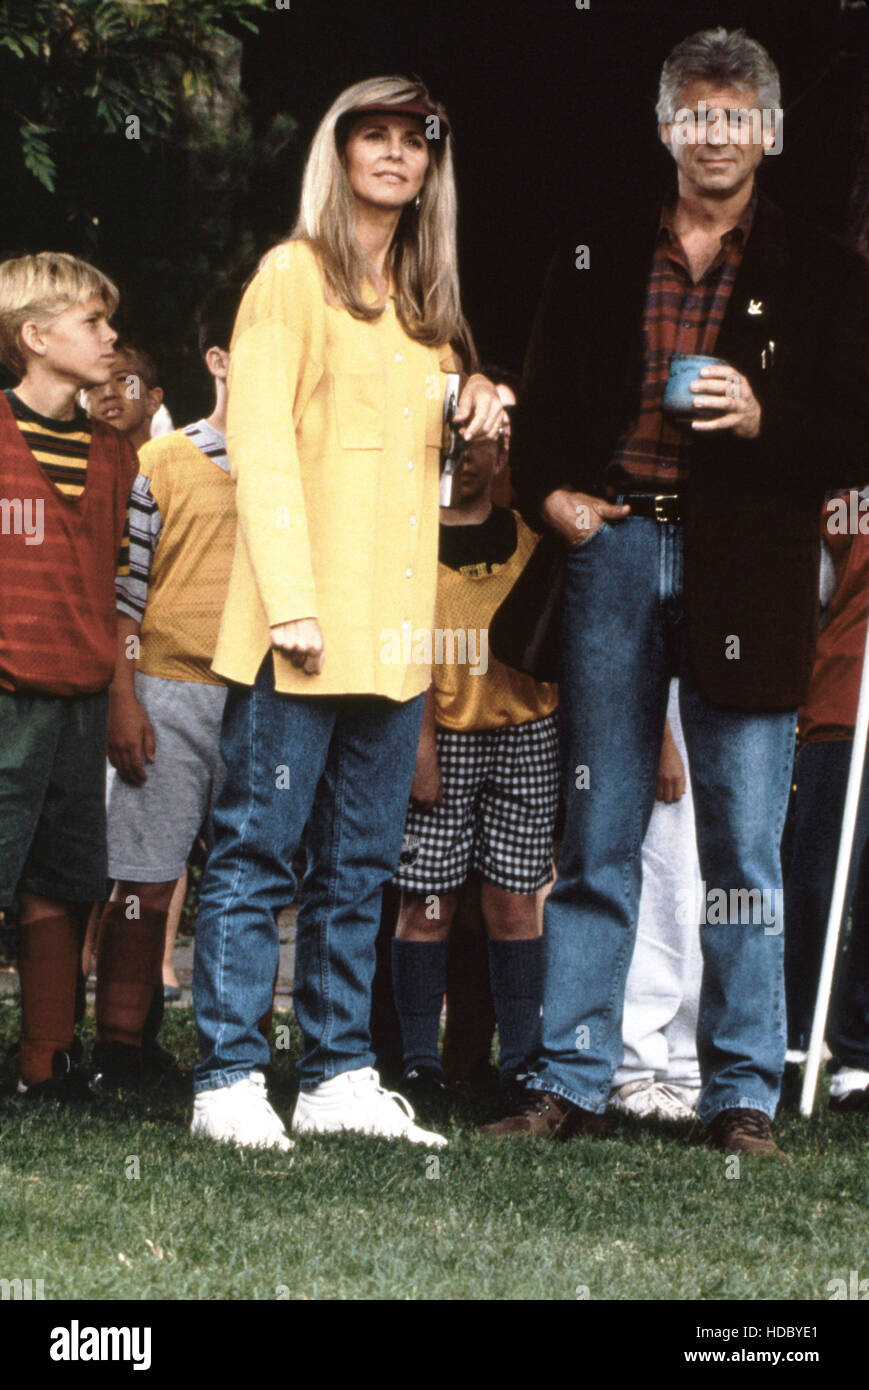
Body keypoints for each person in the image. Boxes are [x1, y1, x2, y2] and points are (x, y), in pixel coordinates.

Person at [490, 27, 869, 1157]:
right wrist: (547, 495)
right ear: (666, 129)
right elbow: (543, 398)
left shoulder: (824, 270)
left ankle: (740, 1091)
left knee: (742, 848)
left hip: (745, 568)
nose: (716, 134)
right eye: (696, 115)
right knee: (596, 829)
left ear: (770, 132)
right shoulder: (594, 252)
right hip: (611, 550)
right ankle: (569, 1076)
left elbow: (854, 429)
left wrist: (767, 420)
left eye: (737, 115)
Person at [191, 77, 505, 1153]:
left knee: (361, 868)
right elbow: (260, 446)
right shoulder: (290, 274)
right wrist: (290, 605)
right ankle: (229, 1076)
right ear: (339, 152)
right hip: (301, 625)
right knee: (254, 854)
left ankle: (333, 1074)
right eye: (368, 135)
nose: (390, 153)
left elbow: (441, 469)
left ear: (429, 168)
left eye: (410, 140)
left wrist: (475, 405)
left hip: (393, 636)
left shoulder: (425, 310)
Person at [90, 288, 240, 1088]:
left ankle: (235, 1051)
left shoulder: (310, 473)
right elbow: (124, 596)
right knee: (146, 876)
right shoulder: (164, 461)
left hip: (271, 698)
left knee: (248, 881)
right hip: (170, 689)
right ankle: (121, 1044)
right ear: (218, 360)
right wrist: (126, 698)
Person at [390, 423, 559, 1113]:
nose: (463, 460)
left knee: (515, 903)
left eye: (477, 447)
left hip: (526, 733)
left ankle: (519, 1064)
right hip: (445, 732)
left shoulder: (533, 539)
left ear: (501, 453)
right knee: (427, 903)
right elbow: (401, 652)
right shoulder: (408, 543)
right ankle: (416, 1065)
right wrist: (419, 745)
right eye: (450, 445)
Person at [0, 252, 137, 1099]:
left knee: (64, 882)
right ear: (35, 336)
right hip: (9, 701)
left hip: (83, 704)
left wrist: (121, 696)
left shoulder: (114, 452)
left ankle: (44, 1063)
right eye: (93, 321)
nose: (111, 335)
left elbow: (120, 590)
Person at [782, 490, 869, 1112]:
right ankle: (792, 1038)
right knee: (814, 874)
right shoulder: (843, 489)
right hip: (843, 699)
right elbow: (808, 596)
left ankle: (858, 1050)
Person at [609, 679, 704, 1121]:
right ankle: (633, 1067)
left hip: (724, 692)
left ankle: (684, 1066)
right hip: (666, 693)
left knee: (702, 887)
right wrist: (662, 735)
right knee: (663, 882)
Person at [86, 339, 163, 451]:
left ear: (152, 400)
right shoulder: (72, 467)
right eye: (95, 384)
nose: (108, 393)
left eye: (122, 379)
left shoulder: (179, 464)